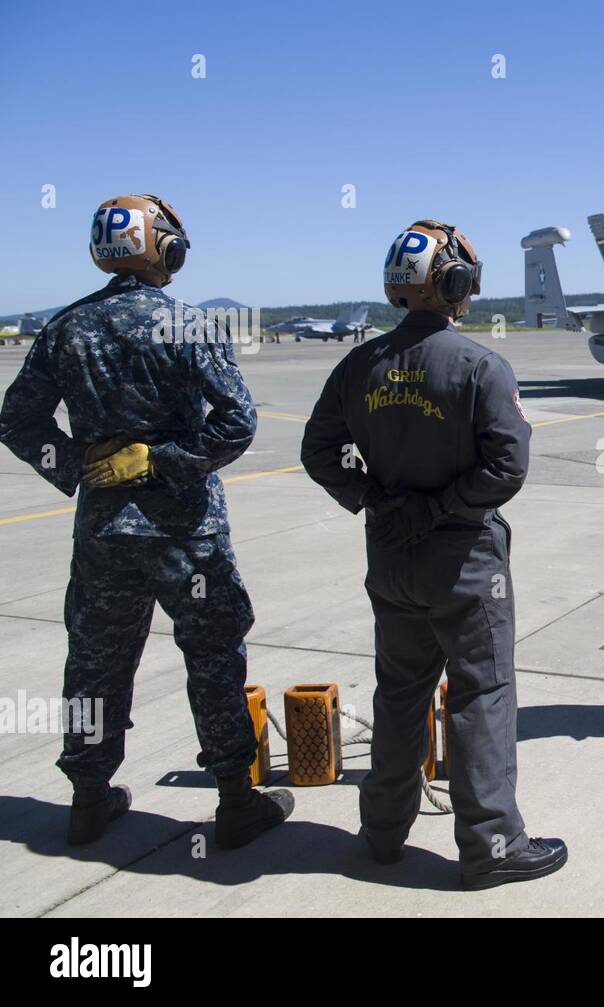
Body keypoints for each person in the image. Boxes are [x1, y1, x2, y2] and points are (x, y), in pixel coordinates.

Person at [0, 194, 292, 847]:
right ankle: (236, 800)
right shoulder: (190, 324)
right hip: (188, 532)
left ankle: (88, 797)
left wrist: (76, 463)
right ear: (166, 248)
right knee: (213, 656)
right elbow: (236, 424)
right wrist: (161, 462)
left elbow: (16, 420)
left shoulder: (67, 328)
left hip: (104, 533)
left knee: (95, 661)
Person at [300, 219, 566, 890]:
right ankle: (492, 846)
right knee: (482, 695)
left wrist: (373, 499)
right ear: (455, 284)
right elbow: (506, 468)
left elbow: (316, 451)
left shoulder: (359, 365)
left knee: (399, 695)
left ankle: (382, 833)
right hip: (464, 565)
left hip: (391, 561)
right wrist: (442, 506)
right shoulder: (479, 366)